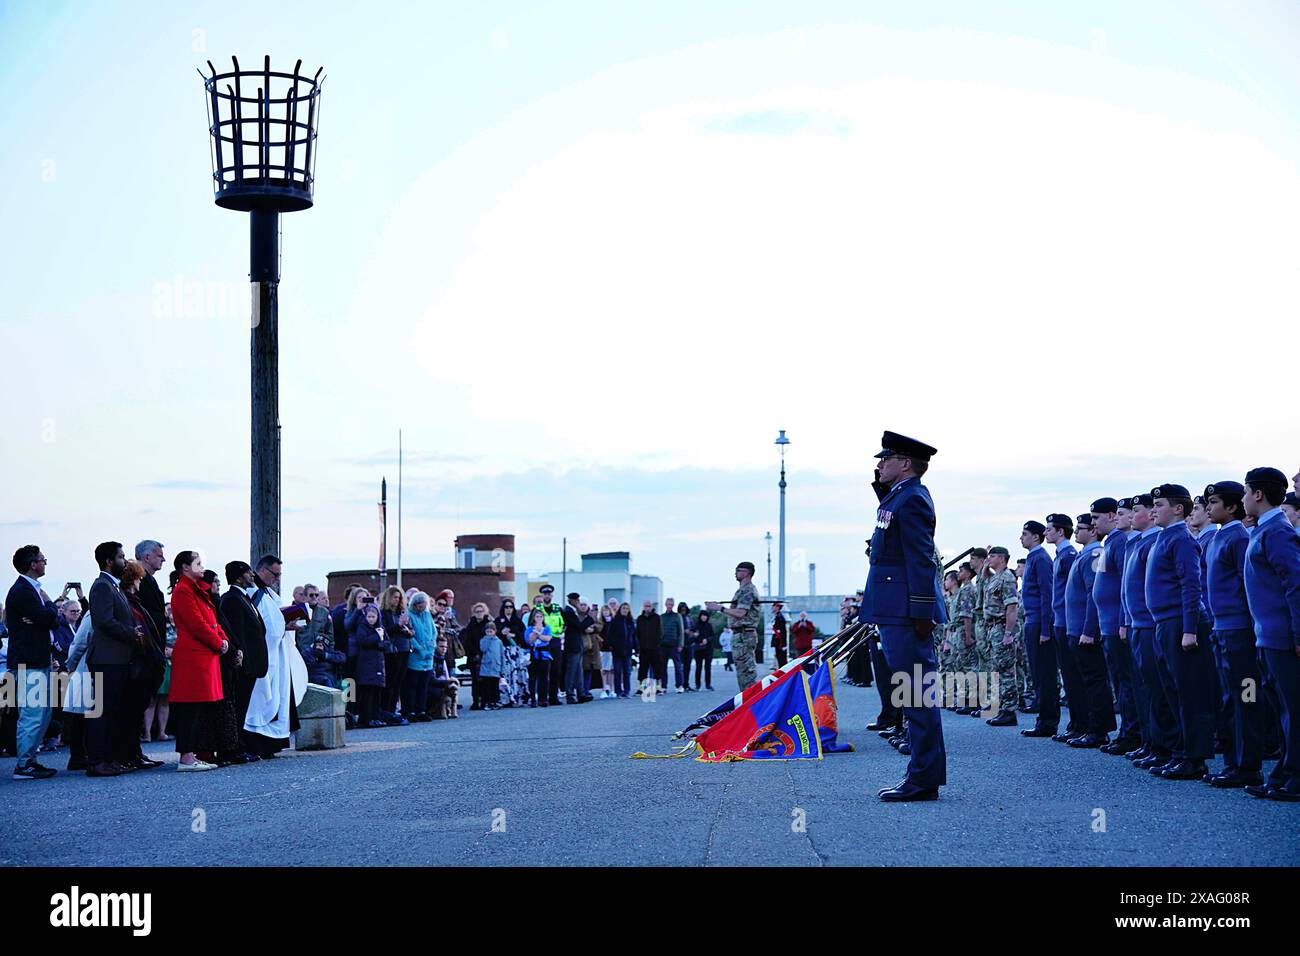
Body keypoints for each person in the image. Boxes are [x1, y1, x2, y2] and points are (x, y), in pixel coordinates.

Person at [855, 431, 947, 802]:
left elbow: (921, 558)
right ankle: (922, 773)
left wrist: (922, 612)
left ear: (905, 463)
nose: (878, 465)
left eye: (885, 459)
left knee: (917, 693)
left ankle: (924, 777)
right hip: (894, 608)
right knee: (911, 693)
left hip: (906, 611)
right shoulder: (900, 496)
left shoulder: (912, 500)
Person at [1143, 484, 1216, 780]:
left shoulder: (1182, 539)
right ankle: (1180, 752)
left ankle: (1195, 759)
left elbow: (1191, 584)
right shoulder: (1165, 537)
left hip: (1180, 623)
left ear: (1178, 509)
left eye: (1159, 505)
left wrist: (1189, 630)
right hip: (1164, 623)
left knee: (1189, 693)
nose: (1153, 510)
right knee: (1172, 691)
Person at [1240, 467, 1300, 801]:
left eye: (1247, 492)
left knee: (1294, 710)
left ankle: (1296, 779)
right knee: (1280, 709)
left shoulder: (1277, 531)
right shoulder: (1264, 530)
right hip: (1266, 634)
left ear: (1258, 494)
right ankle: (1282, 773)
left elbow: (1295, 583)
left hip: (1281, 636)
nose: (1244, 499)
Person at [1202, 481, 1264, 788]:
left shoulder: (1238, 537)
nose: (1209, 507)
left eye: (1214, 502)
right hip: (1221, 629)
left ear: (1231, 507)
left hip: (1240, 631)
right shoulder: (1217, 538)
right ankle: (1232, 762)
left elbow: (1248, 584)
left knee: (1246, 696)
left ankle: (1248, 766)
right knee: (1229, 699)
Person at [1121, 494, 1181, 770]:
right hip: (1137, 624)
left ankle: (1163, 745)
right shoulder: (1140, 542)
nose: (1133, 515)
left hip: (1149, 623)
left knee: (1157, 689)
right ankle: (1151, 743)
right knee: (1146, 687)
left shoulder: (1156, 541)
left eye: (1138, 510)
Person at [167, 552, 236, 771]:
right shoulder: (184, 591)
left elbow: (211, 621)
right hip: (193, 656)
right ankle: (186, 757)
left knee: (198, 707)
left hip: (203, 655)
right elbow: (197, 625)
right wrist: (219, 642)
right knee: (190, 706)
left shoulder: (195, 590)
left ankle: (192, 754)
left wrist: (223, 640)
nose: (202, 567)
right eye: (198, 563)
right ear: (185, 567)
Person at [85, 541, 143, 778]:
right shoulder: (102, 586)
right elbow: (103, 621)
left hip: (117, 659)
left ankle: (109, 758)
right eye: (121, 556)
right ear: (109, 561)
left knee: (113, 711)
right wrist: (132, 633)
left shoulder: (114, 586)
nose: (125, 560)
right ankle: (97, 761)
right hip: (106, 659)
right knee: (102, 712)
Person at [1090, 498, 1141, 755]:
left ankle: (1131, 733)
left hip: (1116, 624)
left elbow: (1124, 585)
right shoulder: (1110, 542)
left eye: (1097, 518)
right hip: (1107, 624)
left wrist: (1122, 621)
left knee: (1125, 681)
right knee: (1120, 681)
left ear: (1111, 516)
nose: (1093, 523)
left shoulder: (1120, 541)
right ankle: (1127, 731)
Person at [7, 545, 62, 780]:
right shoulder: (22, 591)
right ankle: (24, 764)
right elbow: (49, 617)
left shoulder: (31, 590)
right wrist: (50, 607)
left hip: (39, 660)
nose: (45, 563)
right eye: (42, 559)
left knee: (44, 714)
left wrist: (45, 615)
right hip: (28, 662)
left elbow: (49, 621)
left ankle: (31, 759)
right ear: (32, 564)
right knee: (32, 714)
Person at [1060, 515, 1115, 746]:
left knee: (1094, 681)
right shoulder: (1085, 555)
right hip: (1075, 629)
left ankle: (1097, 730)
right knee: (1080, 681)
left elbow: (1094, 593)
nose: (1075, 534)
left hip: (1084, 630)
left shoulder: (1095, 555)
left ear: (1093, 531)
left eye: (1080, 529)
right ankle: (1083, 726)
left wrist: (1089, 629)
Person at [243, 555, 298, 758]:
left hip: (276, 652)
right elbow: (264, 623)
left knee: (277, 697)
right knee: (260, 700)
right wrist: (283, 625)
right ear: (262, 570)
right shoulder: (253, 592)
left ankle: (270, 745)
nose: (277, 579)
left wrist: (287, 623)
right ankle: (255, 745)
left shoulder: (268, 593)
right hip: (263, 653)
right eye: (275, 574)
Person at [1044, 514, 1087, 742]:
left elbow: (1076, 592)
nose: (1045, 533)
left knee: (1074, 677)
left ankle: (1082, 724)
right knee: (1069, 678)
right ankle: (1075, 724)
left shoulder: (1069, 555)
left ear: (1061, 532)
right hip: (1060, 620)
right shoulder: (1061, 555)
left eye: (1049, 529)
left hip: (1068, 621)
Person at [706, 563, 762, 693]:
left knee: (747, 675)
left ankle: (751, 706)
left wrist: (719, 608)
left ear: (747, 573)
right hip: (741, 635)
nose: (735, 573)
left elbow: (741, 612)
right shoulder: (743, 589)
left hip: (744, 635)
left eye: (739, 570)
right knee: (743, 674)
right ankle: (748, 704)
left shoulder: (747, 590)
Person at [982, 546, 1022, 727]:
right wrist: (985, 567)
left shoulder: (1007, 578)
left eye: (992, 556)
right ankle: (1002, 708)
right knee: (997, 669)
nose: (988, 559)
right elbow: (984, 581)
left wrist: (1008, 633)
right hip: (993, 628)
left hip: (1001, 627)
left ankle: (1009, 710)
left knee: (1005, 669)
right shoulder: (995, 577)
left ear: (1002, 558)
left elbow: (1011, 607)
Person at [353, 603, 393, 727]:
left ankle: (376, 717)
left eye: (373, 617)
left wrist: (379, 643)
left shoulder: (381, 628)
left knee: (377, 693)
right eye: (369, 616)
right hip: (366, 665)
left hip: (378, 665)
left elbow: (387, 643)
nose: (371, 619)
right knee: (367, 694)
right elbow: (362, 641)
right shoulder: (362, 627)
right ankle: (366, 718)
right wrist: (377, 638)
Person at [403, 591, 436, 721]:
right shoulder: (409, 615)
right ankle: (411, 711)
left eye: (423, 605)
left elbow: (434, 632)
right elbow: (410, 635)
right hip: (415, 656)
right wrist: (419, 648)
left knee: (424, 686)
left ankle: (421, 710)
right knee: (412, 685)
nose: (421, 608)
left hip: (428, 656)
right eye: (419, 606)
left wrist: (431, 646)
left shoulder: (427, 615)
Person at [534, 586, 565, 704]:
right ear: (542, 595)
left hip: (555, 641)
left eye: (549, 594)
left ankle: (553, 697)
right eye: (545, 594)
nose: (547, 596)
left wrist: (561, 632)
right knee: (543, 670)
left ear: (552, 595)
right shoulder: (537, 609)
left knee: (556, 670)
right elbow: (532, 624)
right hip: (542, 642)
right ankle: (542, 698)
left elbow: (564, 624)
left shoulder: (558, 608)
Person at [463, 600, 490, 711]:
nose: (479, 613)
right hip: (473, 656)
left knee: (485, 680)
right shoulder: (471, 625)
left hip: (486, 656)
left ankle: (484, 701)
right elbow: (467, 641)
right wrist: (475, 653)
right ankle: (475, 701)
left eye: (481, 611)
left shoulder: (488, 624)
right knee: (475, 680)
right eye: (477, 611)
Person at [606, 602, 637, 698]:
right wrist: (612, 646)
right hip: (617, 651)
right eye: (623, 608)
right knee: (617, 672)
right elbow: (610, 635)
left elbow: (634, 636)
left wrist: (636, 649)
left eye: (627, 608)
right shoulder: (615, 621)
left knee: (627, 672)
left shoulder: (631, 622)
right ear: (620, 609)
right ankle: (618, 691)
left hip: (627, 651)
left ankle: (627, 691)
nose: (625, 610)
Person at [524, 609, 554, 707]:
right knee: (532, 677)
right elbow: (529, 640)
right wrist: (535, 632)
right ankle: (532, 699)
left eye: (541, 617)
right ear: (533, 618)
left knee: (544, 678)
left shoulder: (547, 628)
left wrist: (539, 634)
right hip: (533, 654)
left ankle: (543, 698)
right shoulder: (529, 629)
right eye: (537, 617)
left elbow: (548, 639)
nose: (539, 619)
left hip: (544, 655)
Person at [635, 600, 663, 694]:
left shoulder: (656, 618)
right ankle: (642, 687)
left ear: (652, 607)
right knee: (643, 669)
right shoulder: (639, 619)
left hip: (655, 647)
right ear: (643, 607)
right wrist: (638, 648)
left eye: (649, 606)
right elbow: (637, 634)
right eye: (646, 606)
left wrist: (658, 644)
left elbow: (660, 632)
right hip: (643, 648)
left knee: (657, 668)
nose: (647, 608)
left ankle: (658, 687)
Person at [429, 634, 460, 718]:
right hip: (430, 685)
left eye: (446, 647)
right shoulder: (432, 659)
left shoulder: (442, 659)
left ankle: (450, 710)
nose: (444, 649)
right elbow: (432, 680)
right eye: (441, 646)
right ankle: (434, 711)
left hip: (439, 683)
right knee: (439, 693)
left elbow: (446, 675)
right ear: (435, 646)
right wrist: (446, 682)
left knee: (452, 691)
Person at [659, 596, 685, 693]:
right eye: (668, 604)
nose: (669, 606)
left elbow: (681, 631)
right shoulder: (661, 617)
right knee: (663, 667)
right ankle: (663, 686)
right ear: (665, 605)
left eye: (671, 604)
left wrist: (680, 644)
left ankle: (679, 686)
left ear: (673, 605)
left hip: (674, 645)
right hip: (663, 645)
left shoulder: (677, 616)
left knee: (678, 666)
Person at [478, 620, 504, 710]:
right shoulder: (483, 640)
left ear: (495, 631)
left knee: (495, 686)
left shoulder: (499, 642)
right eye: (487, 631)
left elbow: (502, 655)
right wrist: (488, 639)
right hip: (486, 668)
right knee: (486, 687)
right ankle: (487, 702)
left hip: (496, 667)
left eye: (491, 631)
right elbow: (483, 649)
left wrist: (502, 669)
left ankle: (495, 701)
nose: (489, 633)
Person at [691, 610, 715, 690]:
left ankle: (708, 685)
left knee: (707, 667)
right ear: (700, 616)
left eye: (705, 616)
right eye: (702, 615)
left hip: (708, 649)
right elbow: (692, 636)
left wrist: (707, 640)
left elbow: (712, 636)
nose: (704, 617)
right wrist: (696, 638)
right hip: (698, 649)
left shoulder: (709, 626)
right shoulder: (696, 625)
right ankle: (697, 685)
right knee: (698, 667)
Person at [597, 602, 616, 698]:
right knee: (604, 670)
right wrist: (600, 640)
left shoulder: (614, 622)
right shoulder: (600, 622)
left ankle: (612, 689)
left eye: (607, 610)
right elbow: (597, 634)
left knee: (611, 670)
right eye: (604, 610)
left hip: (612, 649)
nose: (606, 612)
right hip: (603, 649)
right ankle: (604, 689)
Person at [770, 601, 788, 669]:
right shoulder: (777, 616)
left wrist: (783, 644)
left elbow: (783, 632)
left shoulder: (780, 617)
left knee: (782, 659)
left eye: (774, 606)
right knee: (779, 657)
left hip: (779, 641)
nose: (772, 608)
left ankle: (783, 674)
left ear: (777, 607)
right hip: (777, 640)